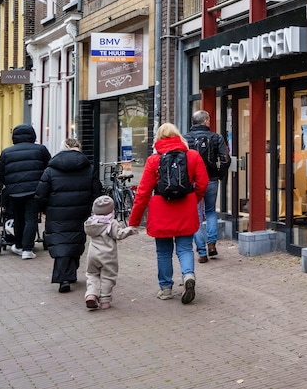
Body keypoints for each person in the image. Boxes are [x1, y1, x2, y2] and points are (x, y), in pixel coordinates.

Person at [128, 123, 209, 304]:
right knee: (185, 248)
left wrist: (134, 221)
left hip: (161, 210)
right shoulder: (192, 156)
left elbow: (143, 193)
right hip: (185, 208)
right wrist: (193, 199)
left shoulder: (153, 160)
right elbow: (203, 183)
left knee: (163, 252)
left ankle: (165, 289)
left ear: (158, 139)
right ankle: (188, 275)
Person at [36, 138, 103, 293]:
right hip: (80, 212)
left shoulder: (51, 169)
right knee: (75, 240)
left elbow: (41, 194)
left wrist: (44, 209)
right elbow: (96, 192)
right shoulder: (88, 168)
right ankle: (69, 273)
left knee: (60, 242)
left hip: (56, 212)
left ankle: (63, 277)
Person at [0, 123, 52, 260]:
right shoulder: (40, 150)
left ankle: (19, 245)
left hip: (14, 192)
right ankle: (27, 249)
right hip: (34, 190)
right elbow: (49, 168)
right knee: (31, 218)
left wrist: (8, 184)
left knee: (18, 218)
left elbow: (1, 173)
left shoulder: (6, 152)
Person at [184, 109, 230, 262]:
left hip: (193, 181)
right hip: (211, 179)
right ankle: (211, 243)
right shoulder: (216, 138)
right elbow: (225, 159)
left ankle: (202, 252)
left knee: (196, 214)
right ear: (205, 121)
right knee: (210, 211)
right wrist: (219, 174)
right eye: (209, 119)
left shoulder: (186, 138)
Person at [83, 195, 139, 310]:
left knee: (92, 274)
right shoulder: (111, 222)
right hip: (107, 255)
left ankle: (91, 294)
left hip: (92, 254)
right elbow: (118, 234)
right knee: (108, 276)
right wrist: (130, 230)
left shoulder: (90, 222)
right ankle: (105, 300)